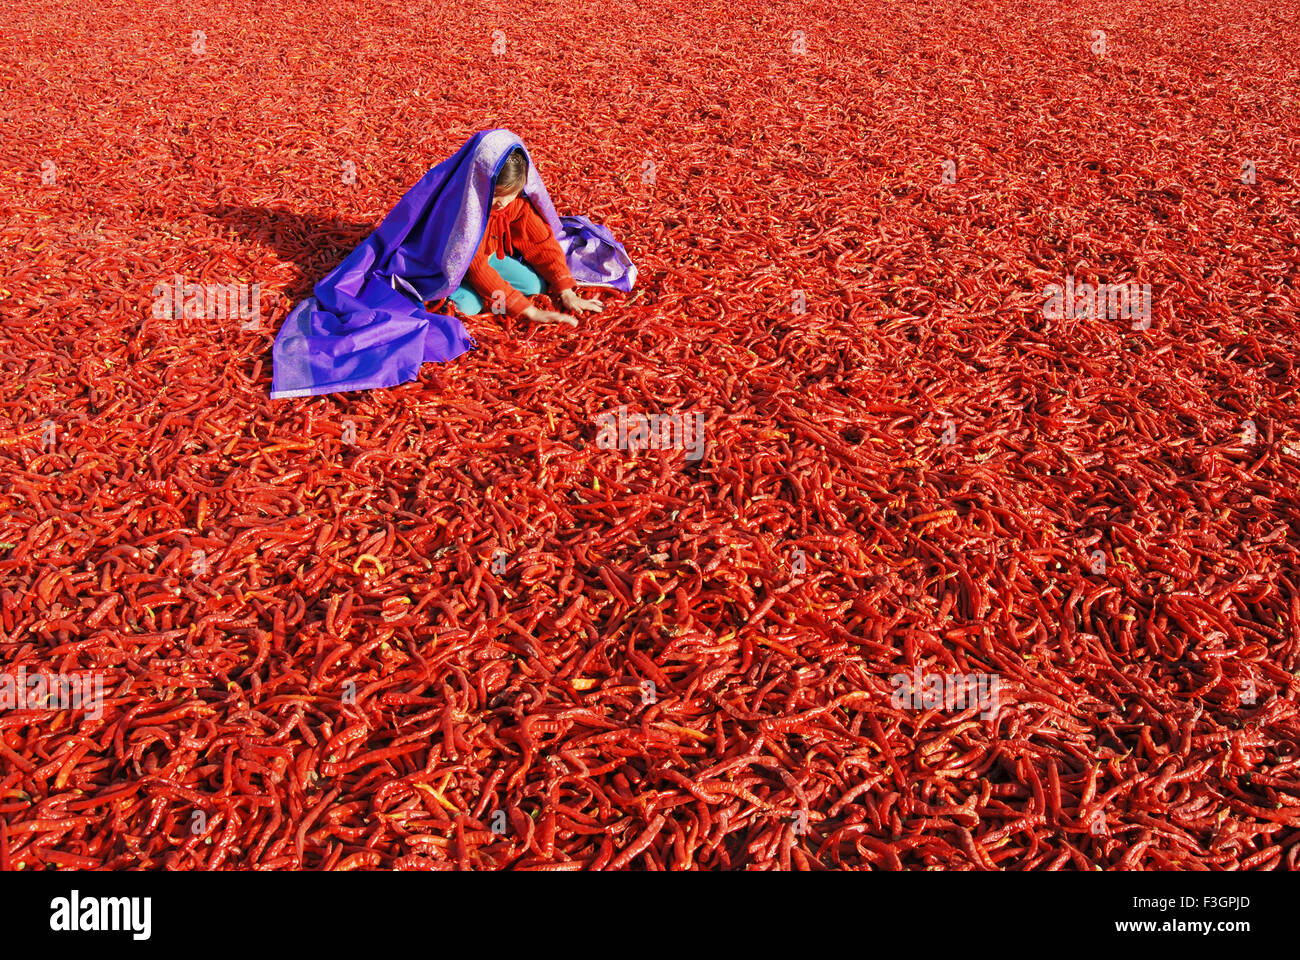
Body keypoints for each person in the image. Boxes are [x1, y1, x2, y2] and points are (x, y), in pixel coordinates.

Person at [458, 148, 605, 327]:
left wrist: (566, 291)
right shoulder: (466, 209)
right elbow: (475, 267)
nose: (502, 203)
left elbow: (541, 243)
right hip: (447, 268)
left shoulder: (514, 205)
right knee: (468, 305)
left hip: (487, 256)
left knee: (534, 286)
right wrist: (530, 311)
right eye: (496, 194)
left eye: (510, 194)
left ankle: (485, 288)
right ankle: (456, 293)